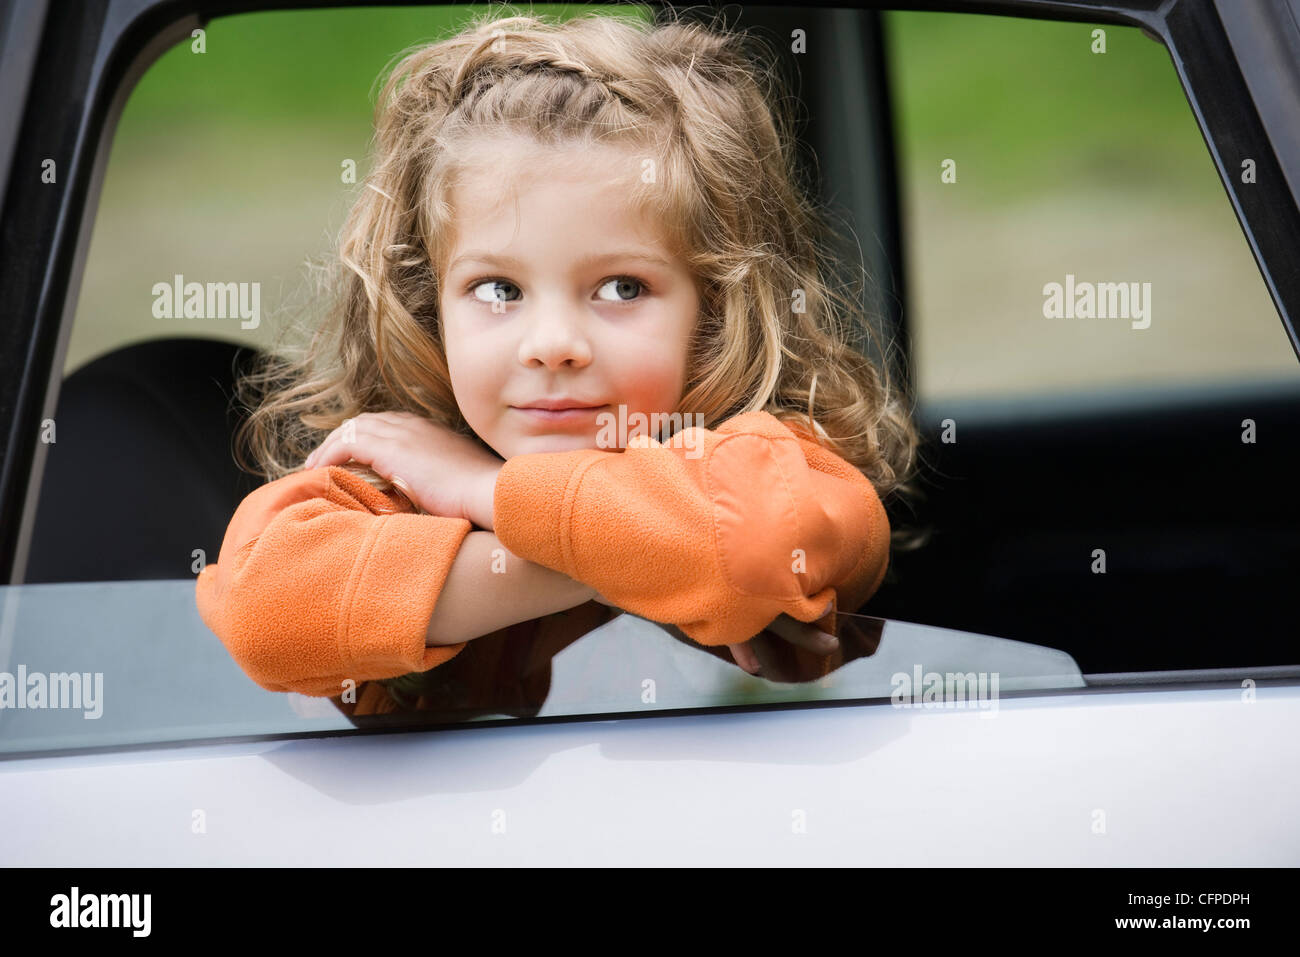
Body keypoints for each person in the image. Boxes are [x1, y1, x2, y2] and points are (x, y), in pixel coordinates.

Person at [195, 9, 922, 721]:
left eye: (621, 288)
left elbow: (751, 549)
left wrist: (488, 490)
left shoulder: (786, 465)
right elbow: (265, 609)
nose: (552, 343)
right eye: (499, 290)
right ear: (431, 308)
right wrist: (622, 565)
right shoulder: (402, 479)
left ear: (715, 310)